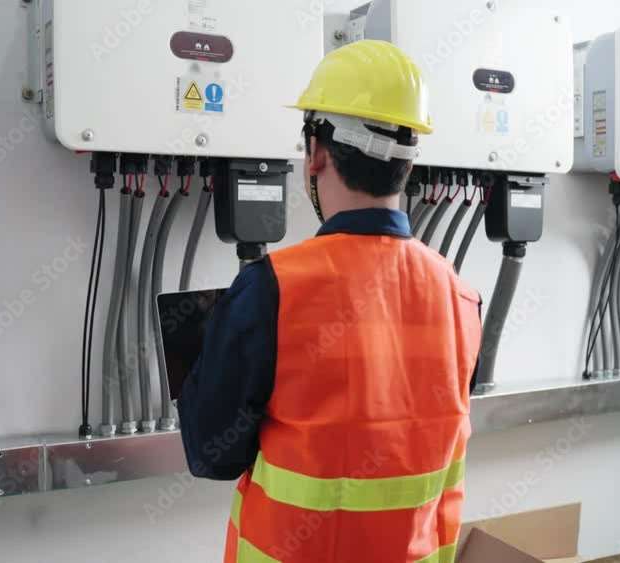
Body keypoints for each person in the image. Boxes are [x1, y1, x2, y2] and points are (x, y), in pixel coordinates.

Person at [178, 40, 483, 563]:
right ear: (408, 166)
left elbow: (213, 456)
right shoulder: (461, 296)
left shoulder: (271, 288)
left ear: (316, 153)